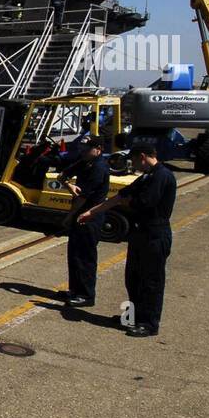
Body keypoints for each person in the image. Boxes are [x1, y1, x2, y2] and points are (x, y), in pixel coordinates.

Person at [78, 142, 176, 337]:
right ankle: (132, 317)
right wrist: (91, 212)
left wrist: (126, 201)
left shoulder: (162, 176)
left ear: (142, 156)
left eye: (133, 159)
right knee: (133, 278)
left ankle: (148, 323)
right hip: (140, 234)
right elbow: (121, 196)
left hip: (154, 234)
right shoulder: (146, 176)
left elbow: (143, 202)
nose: (132, 164)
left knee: (151, 282)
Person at [60, 138, 110, 307]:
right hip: (79, 214)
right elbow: (62, 175)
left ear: (98, 149)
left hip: (90, 216)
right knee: (74, 255)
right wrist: (69, 186)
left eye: (87, 148)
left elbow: (83, 197)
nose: (83, 150)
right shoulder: (84, 162)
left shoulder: (98, 167)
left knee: (85, 257)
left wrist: (69, 216)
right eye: (82, 147)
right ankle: (75, 289)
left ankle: (86, 295)